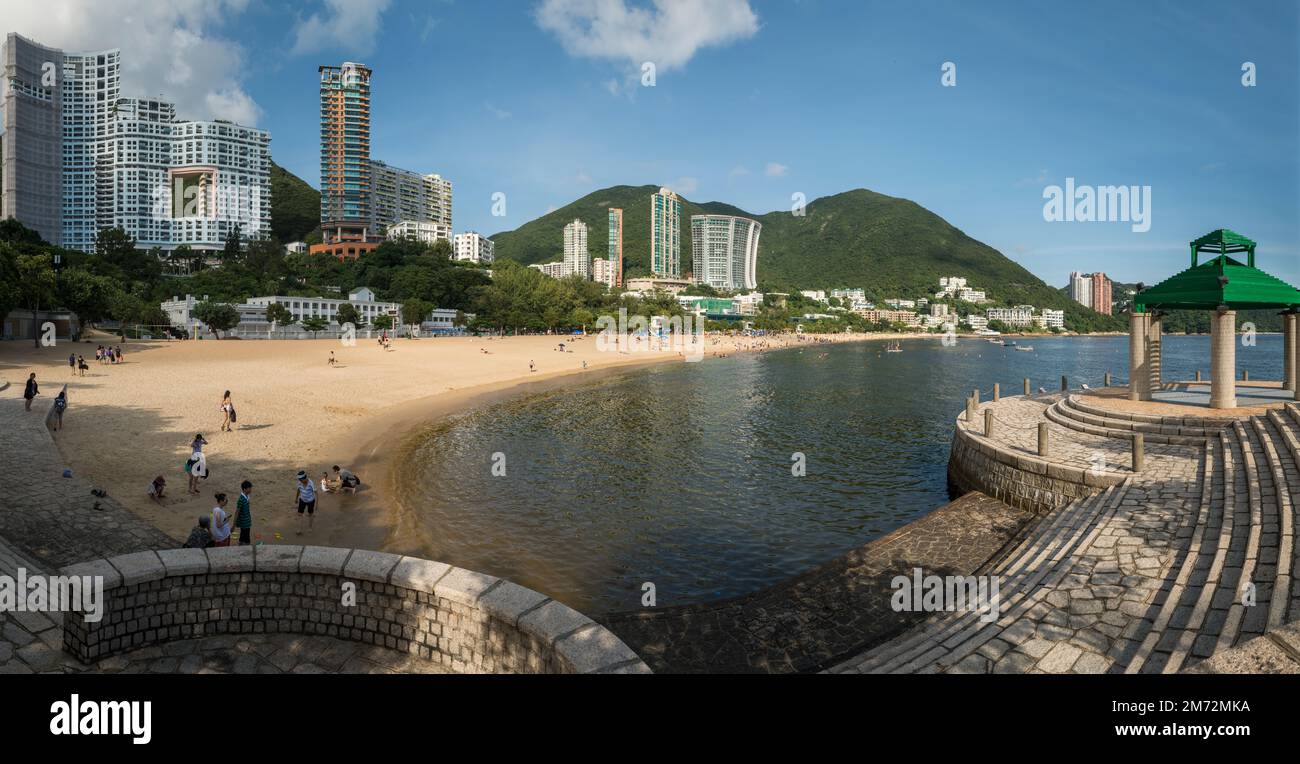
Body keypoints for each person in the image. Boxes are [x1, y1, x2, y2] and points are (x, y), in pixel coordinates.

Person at [293, 470, 316, 536]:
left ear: (305, 478)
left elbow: (316, 493)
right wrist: (296, 498)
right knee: (300, 514)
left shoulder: (311, 483)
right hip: (302, 500)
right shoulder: (300, 483)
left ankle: (310, 527)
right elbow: (298, 490)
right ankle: (299, 529)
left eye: (301, 480)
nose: (300, 481)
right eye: (299, 480)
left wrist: (316, 504)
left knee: (310, 514)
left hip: (311, 501)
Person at [235, 480, 254, 545]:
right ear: (244, 489)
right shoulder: (241, 499)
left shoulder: (247, 497)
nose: (251, 489)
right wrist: (234, 523)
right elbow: (237, 511)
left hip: (247, 520)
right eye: (249, 488)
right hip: (244, 522)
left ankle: (241, 544)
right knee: (246, 536)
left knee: (243, 534)